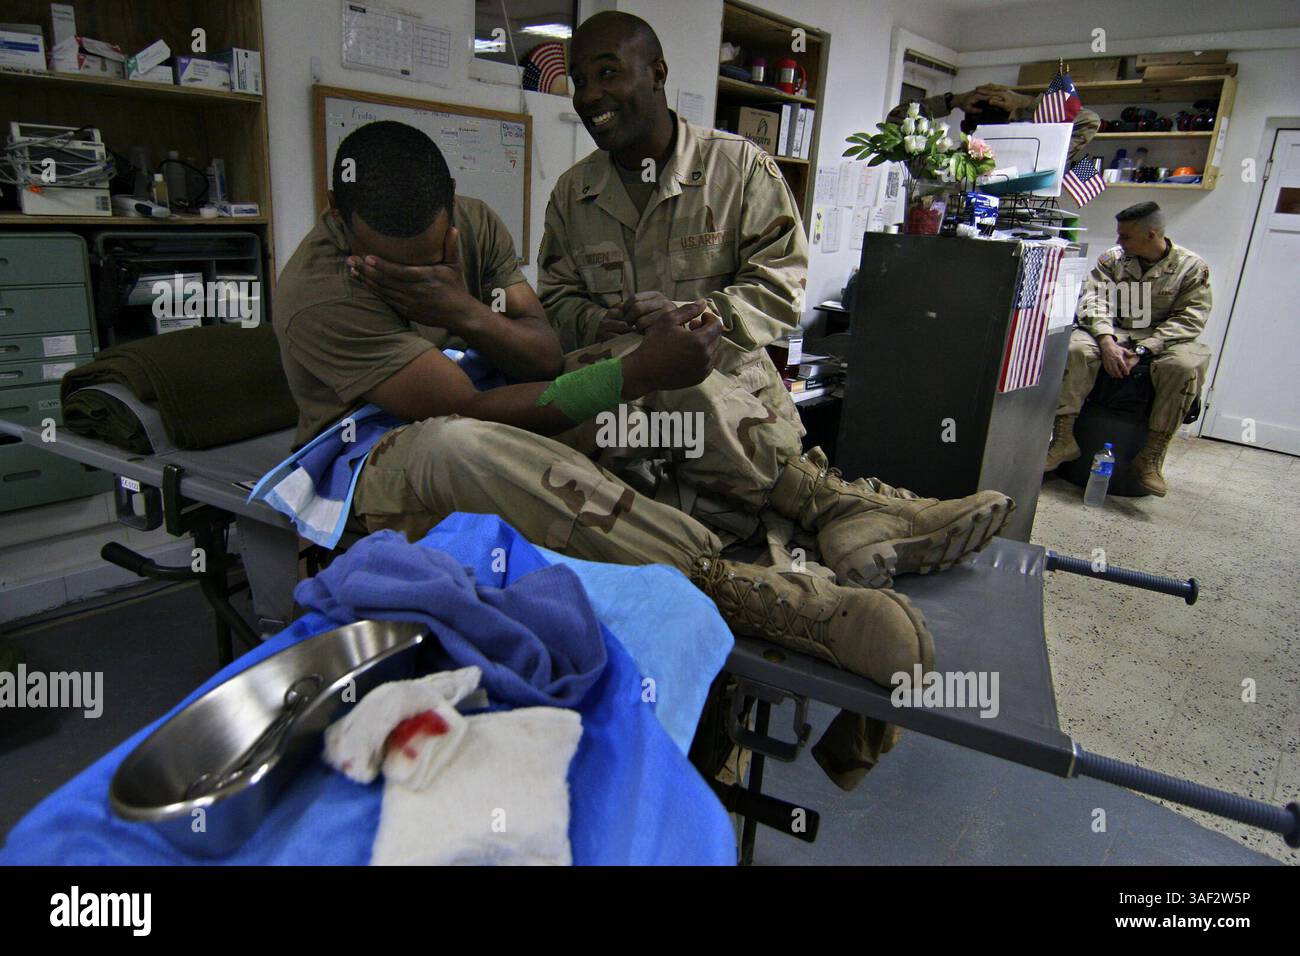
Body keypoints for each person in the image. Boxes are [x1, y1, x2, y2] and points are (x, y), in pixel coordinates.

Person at [273, 119, 942, 790]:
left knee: (648, 362)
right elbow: (464, 414)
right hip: (374, 454)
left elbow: (542, 352)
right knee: (462, 444)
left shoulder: (472, 224)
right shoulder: (318, 292)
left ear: (451, 210)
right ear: (339, 216)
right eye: (401, 268)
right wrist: (630, 376)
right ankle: (750, 592)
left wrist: (464, 311)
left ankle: (826, 504)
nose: (420, 276)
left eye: (431, 259)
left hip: (486, 398)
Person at [540, 12, 1014, 788]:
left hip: (742, 424)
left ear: (657, 74)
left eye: (608, 73)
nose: (592, 95)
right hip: (639, 439)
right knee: (706, 578)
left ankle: (763, 727)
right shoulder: (574, 193)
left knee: (727, 529)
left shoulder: (740, 170)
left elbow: (783, 286)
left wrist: (702, 324)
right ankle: (843, 523)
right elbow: (556, 304)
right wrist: (617, 327)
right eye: (583, 80)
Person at [1044, 202, 1212, 496]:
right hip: (1115, 331)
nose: (1118, 242)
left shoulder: (1191, 268)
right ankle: (1064, 439)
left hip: (1164, 339)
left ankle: (1150, 456)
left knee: (1185, 366)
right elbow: (1094, 301)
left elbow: (1191, 318)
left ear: (1152, 234)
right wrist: (1106, 341)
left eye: (1126, 237)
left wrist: (1147, 349)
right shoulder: (1113, 260)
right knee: (1075, 349)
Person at [916, 83, 1100, 163]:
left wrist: (953, 100)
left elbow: (898, 117)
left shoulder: (942, 165)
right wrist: (1027, 102)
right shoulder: (1031, 161)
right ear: (1011, 123)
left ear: (964, 128)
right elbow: (1089, 120)